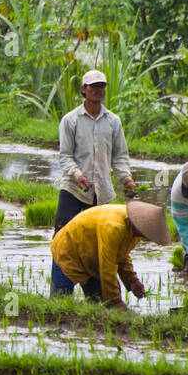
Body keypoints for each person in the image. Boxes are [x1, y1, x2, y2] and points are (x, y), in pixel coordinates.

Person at [52, 68, 137, 296]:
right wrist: (77, 174)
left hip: (102, 193)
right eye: (94, 86)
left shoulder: (113, 122)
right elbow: (65, 156)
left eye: (102, 86)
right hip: (73, 191)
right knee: (64, 238)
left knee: (100, 244)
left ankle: (97, 295)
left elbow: (119, 157)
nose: (99, 90)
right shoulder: (71, 120)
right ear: (84, 89)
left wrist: (126, 179)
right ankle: (60, 293)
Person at [49, 200, 170, 311]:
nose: (146, 237)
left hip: (91, 258)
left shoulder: (134, 232)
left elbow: (121, 255)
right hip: (68, 252)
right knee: (59, 305)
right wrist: (115, 301)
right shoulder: (113, 227)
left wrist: (132, 280)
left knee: (97, 309)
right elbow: (107, 265)